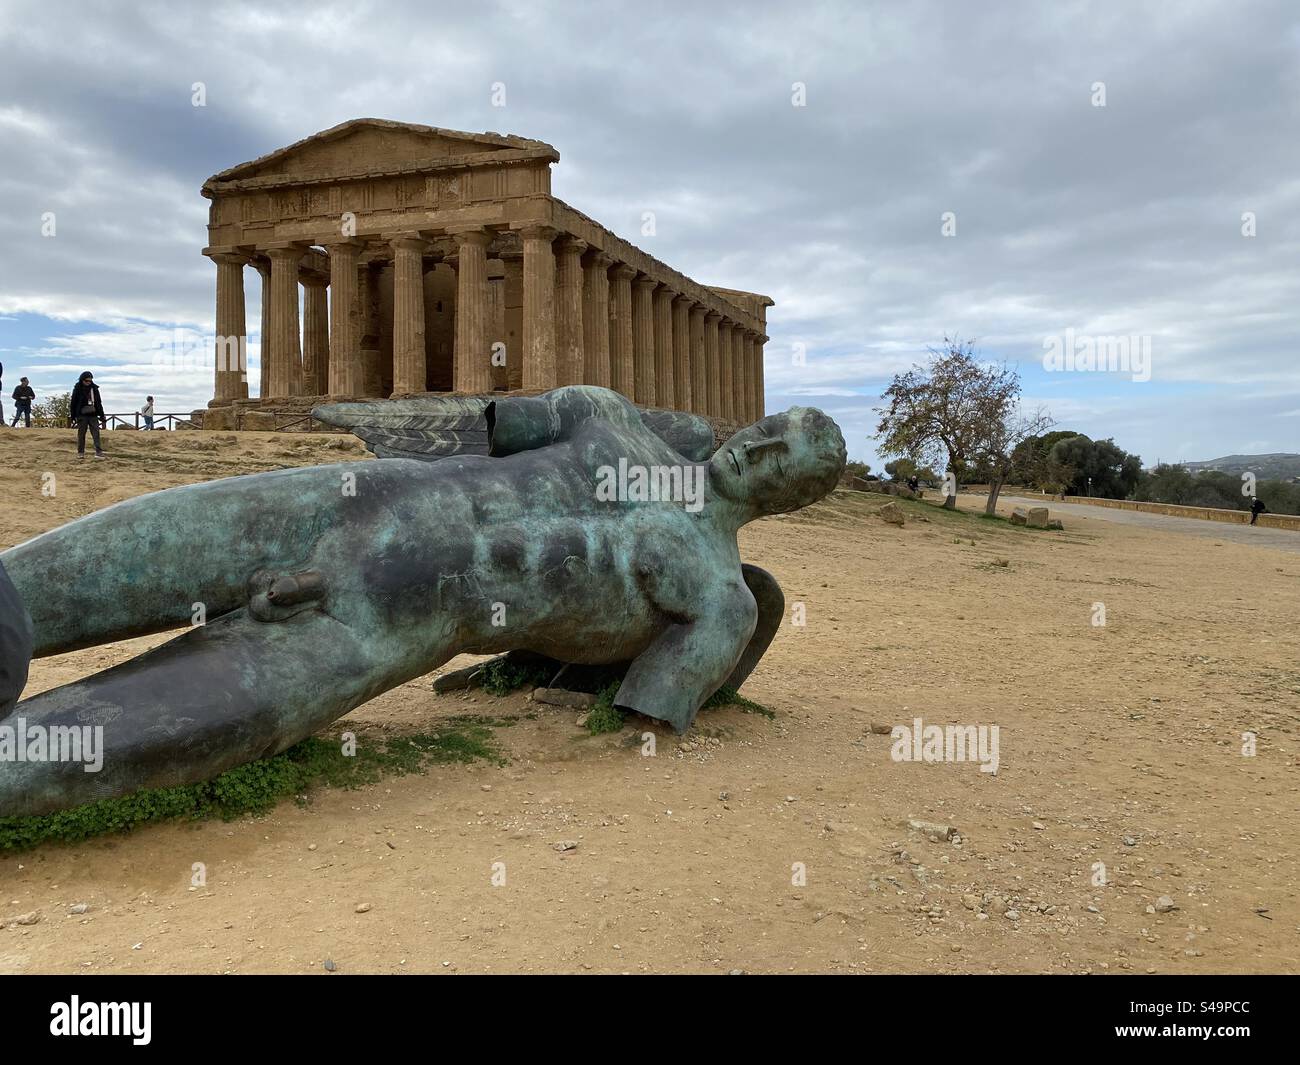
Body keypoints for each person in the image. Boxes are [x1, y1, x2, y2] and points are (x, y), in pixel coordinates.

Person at [69, 370, 107, 458]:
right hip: (81, 414)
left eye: (90, 381)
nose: (88, 382)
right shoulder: (77, 388)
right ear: (82, 380)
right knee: (81, 434)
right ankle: (80, 452)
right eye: (86, 381)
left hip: (93, 414)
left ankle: (98, 451)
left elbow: (98, 402)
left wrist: (102, 415)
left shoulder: (94, 389)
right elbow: (73, 403)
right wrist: (73, 416)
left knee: (96, 433)